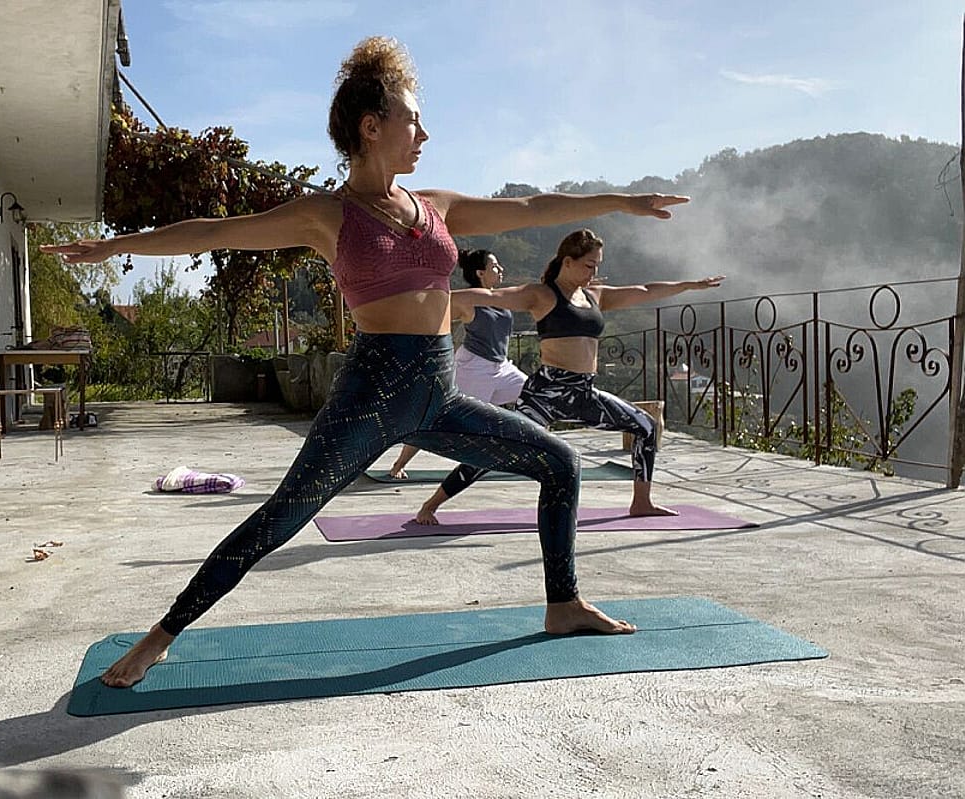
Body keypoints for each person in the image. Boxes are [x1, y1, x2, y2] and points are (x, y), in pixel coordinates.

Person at [42, 37, 688, 688]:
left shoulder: (434, 205)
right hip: (370, 397)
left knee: (562, 463)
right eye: (412, 119)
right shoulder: (327, 214)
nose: (424, 133)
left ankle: (562, 603)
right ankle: (159, 638)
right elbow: (214, 229)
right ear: (371, 126)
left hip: (435, 392)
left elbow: (529, 209)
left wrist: (621, 202)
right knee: (278, 519)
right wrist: (116, 246)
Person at [413, 228, 724, 525]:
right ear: (568, 261)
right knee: (497, 450)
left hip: (583, 393)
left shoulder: (595, 296)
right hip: (547, 394)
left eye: (597, 266)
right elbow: (492, 296)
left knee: (645, 426)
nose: (593, 272)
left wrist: (689, 285)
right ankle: (432, 504)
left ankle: (641, 502)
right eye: (589, 265)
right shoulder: (542, 295)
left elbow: (644, 291)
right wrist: (432, 300)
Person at [387, 248, 528, 478]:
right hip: (474, 368)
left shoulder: (501, 298)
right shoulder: (467, 301)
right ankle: (399, 464)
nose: (500, 269)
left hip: (501, 367)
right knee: (436, 418)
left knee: (535, 395)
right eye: (494, 266)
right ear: (480, 273)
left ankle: (534, 454)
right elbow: (433, 313)